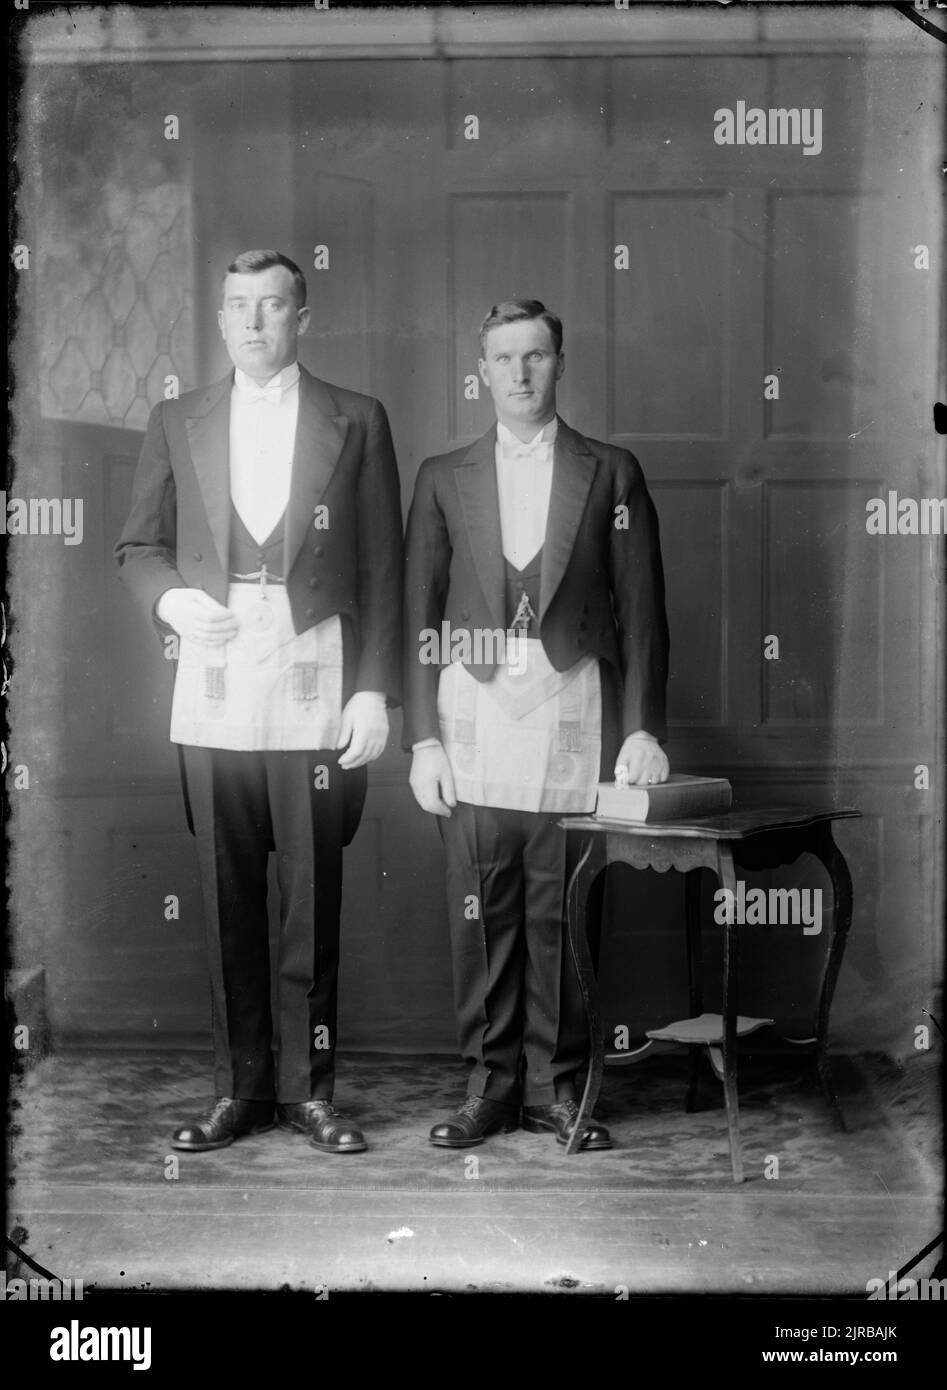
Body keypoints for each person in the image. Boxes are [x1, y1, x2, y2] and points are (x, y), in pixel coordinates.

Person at [115, 249, 403, 1155]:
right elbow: (137, 548)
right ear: (221, 319)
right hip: (215, 666)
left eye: (271, 306)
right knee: (225, 890)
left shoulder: (356, 418)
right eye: (237, 306)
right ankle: (239, 1092)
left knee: (311, 895)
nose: (252, 322)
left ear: (301, 317)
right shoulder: (177, 419)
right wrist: (171, 600)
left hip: (317, 663)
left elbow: (386, 571)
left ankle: (308, 1093)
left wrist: (374, 690)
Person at [403, 299, 669, 1151]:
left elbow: (643, 614)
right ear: (481, 369)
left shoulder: (611, 471)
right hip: (472, 706)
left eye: (536, 357)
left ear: (560, 363)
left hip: (573, 708)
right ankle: (489, 1088)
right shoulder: (443, 477)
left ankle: (558, 1088)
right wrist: (422, 740)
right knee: (483, 907)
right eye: (503, 358)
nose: (519, 374)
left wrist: (641, 729)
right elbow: (417, 615)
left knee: (561, 908)